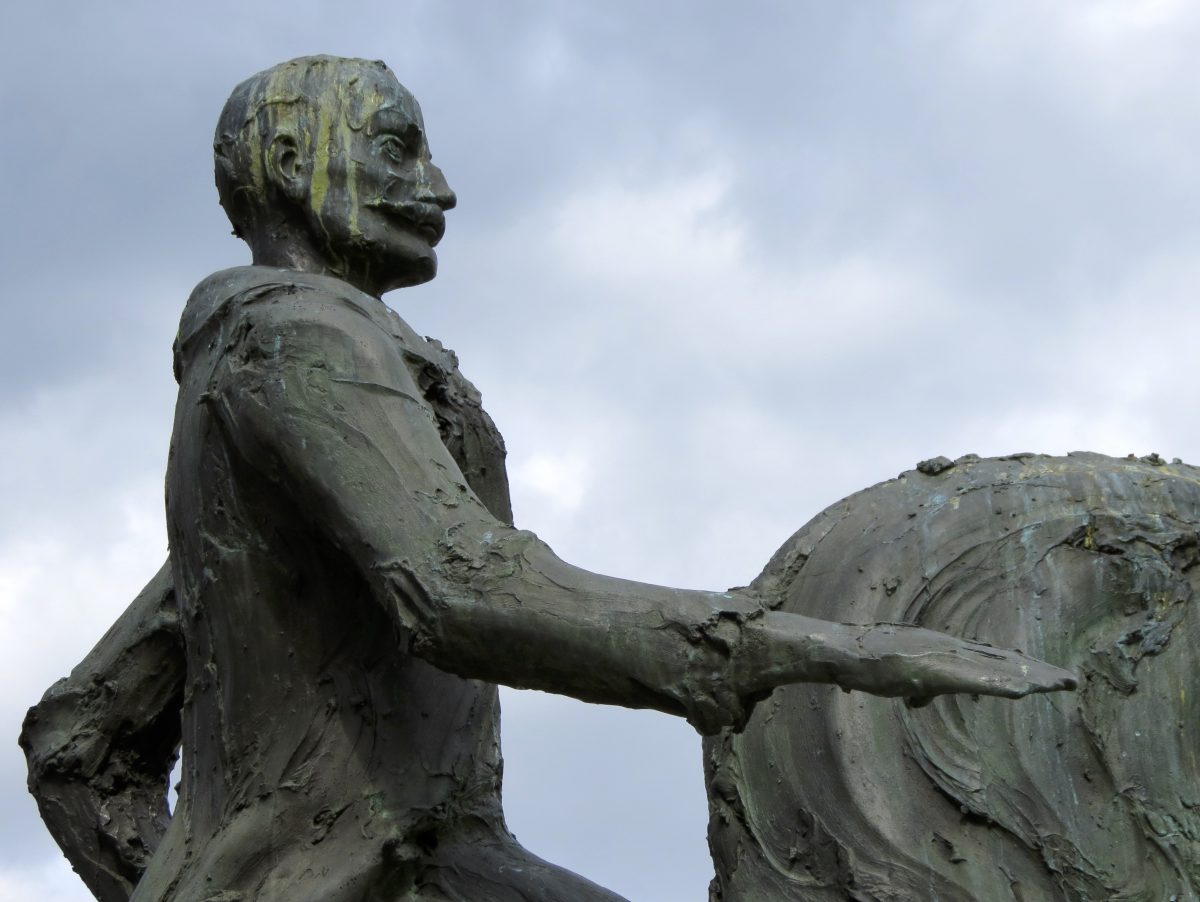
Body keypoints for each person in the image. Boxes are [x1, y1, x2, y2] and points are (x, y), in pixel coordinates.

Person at [20, 56, 1076, 902]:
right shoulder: (304, 337)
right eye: (396, 148)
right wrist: (804, 646)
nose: (438, 187)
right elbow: (459, 587)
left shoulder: (260, 385)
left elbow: (80, 740)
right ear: (293, 161)